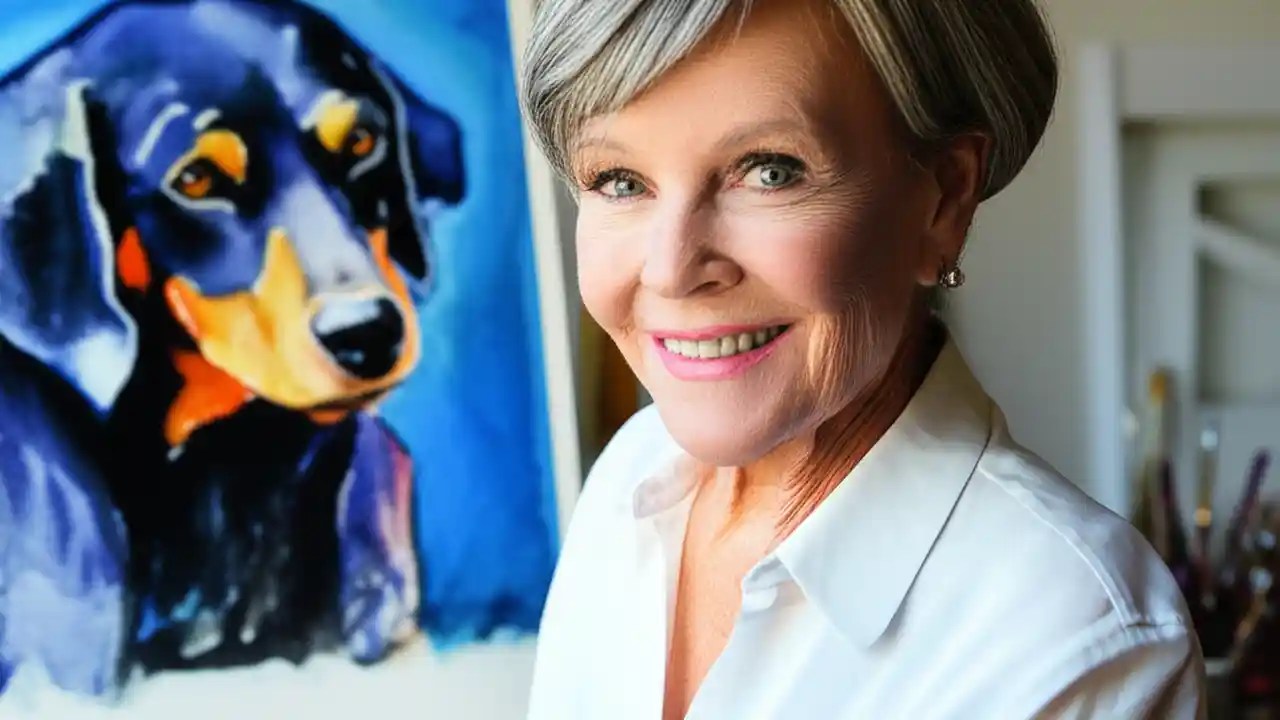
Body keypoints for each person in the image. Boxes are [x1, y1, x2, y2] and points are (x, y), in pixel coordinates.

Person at [519, 0, 1206, 718]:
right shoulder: (628, 481)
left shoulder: (1076, 637)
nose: (670, 269)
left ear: (944, 200)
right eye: (619, 181)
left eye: (769, 171)